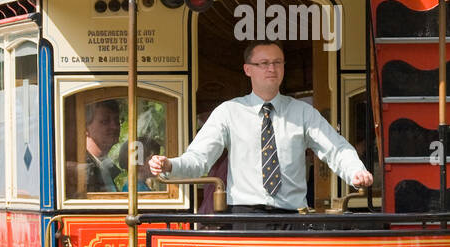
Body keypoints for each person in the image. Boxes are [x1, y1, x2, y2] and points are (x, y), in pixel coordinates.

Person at [148, 41, 373, 214]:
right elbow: (199, 159)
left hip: (292, 217)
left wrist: (356, 172)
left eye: (278, 62)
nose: (272, 69)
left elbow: (336, 148)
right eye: (263, 63)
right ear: (248, 69)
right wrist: (170, 164)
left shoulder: (303, 112)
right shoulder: (229, 111)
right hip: (244, 216)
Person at [84, 99, 122, 192]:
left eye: (117, 121)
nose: (115, 127)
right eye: (105, 121)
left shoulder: (105, 166)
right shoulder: (84, 169)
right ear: (85, 128)